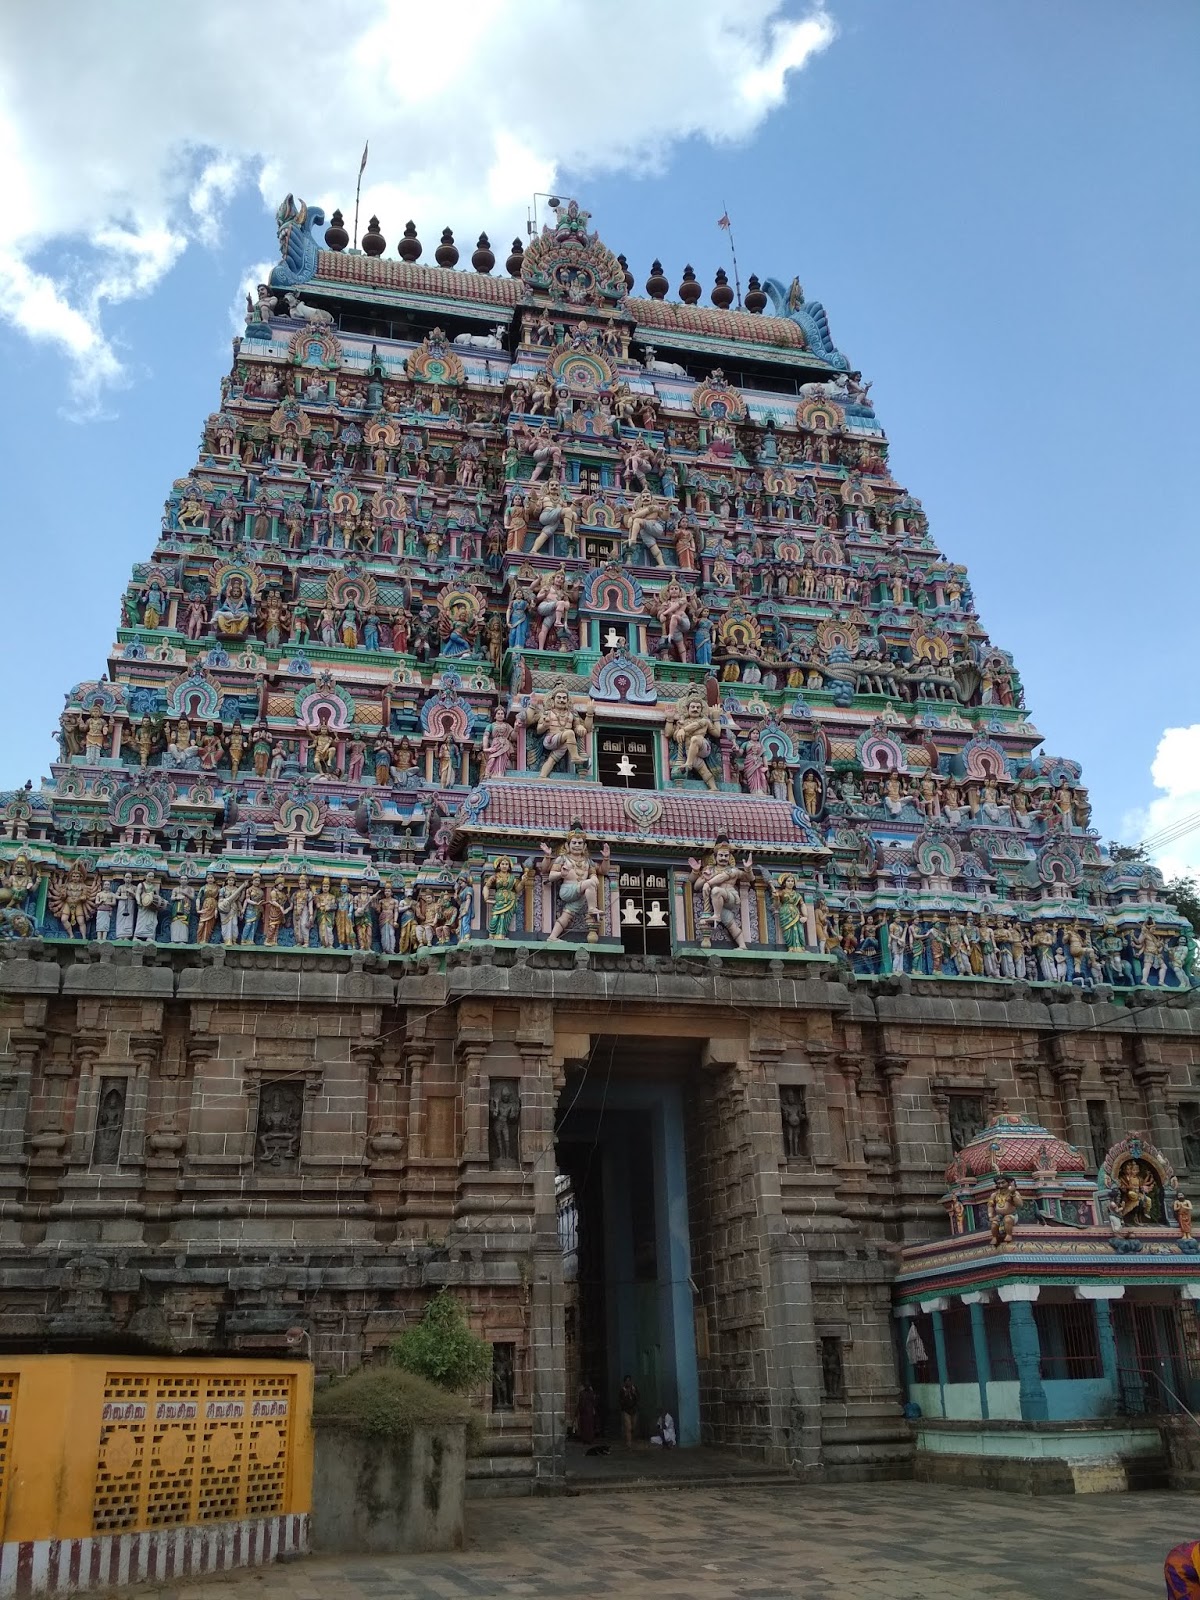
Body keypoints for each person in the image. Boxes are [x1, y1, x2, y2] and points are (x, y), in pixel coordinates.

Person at [618, 1374, 639, 1447]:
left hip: (634, 1410)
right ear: (624, 1382)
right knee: (628, 1427)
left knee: (633, 1427)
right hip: (626, 1411)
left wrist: (634, 1393)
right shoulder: (622, 1390)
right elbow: (620, 1401)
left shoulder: (634, 1389)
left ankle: (631, 1439)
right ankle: (629, 1443)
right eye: (626, 1381)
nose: (628, 1383)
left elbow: (638, 1399)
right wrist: (626, 1395)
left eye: (629, 1381)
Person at [576, 1378, 597, 1445]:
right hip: (584, 1411)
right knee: (584, 1426)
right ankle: (585, 1439)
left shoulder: (591, 1393)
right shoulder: (582, 1393)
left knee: (590, 1426)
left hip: (589, 1411)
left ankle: (590, 1439)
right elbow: (580, 1402)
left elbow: (593, 1402)